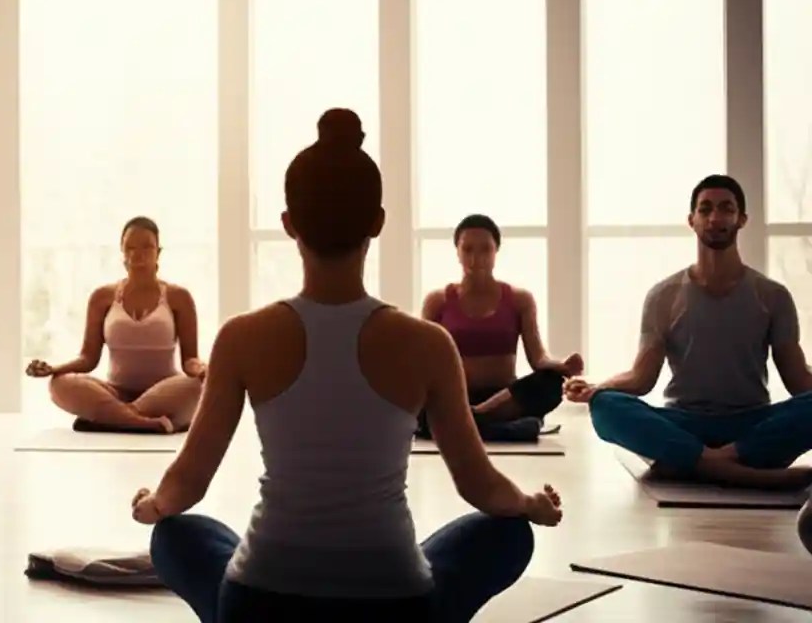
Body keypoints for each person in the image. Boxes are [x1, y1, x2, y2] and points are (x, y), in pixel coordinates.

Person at [131, 120, 562, 623]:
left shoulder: (242, 337)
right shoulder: (427, 343)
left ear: (289, 223)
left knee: (175, 535)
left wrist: (155, 503)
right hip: (397, 608)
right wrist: (528, 502)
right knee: (509, 532)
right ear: (377, 222)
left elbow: (190, 479)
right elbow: (479, 485)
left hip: (261, 606)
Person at [565, 174, 812, 490]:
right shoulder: (663, 296)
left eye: (726, 209)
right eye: (705, 209)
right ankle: (734, 471)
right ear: (692, 220)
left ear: (741, 219)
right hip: (684, 424)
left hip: (750, 427)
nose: (715, 217)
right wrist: (598, 388)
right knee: (606, 406)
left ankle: (699, 464)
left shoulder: (773, 296)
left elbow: (798, 382)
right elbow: (642, 379)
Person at [25, 217, 207, 434]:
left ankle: (110, 419)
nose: (137, 254)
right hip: (114, 392)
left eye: (147, 247)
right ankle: (144, 423)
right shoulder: (102, 297)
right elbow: (88, 359)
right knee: (59, 385)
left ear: (159, 252)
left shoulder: (179, 297)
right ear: (122, 253)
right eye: (130, 247)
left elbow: (190, 360)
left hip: (165, 392)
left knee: (200, 386)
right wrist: (54, 369)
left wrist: (205, 369)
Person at [419, 215, 582, 439]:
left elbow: (538, 359)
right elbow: (424, 361)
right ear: (457, 252)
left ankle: (473, 420)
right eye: (468, 249)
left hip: (504, 399)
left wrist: (561, 366)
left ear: (496, 251)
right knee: (414, 401)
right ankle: (505, 428)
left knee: (551, 384)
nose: (476, 259)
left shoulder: (520, 299)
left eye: (485, 249)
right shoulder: (437, 301)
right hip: (456, 397)